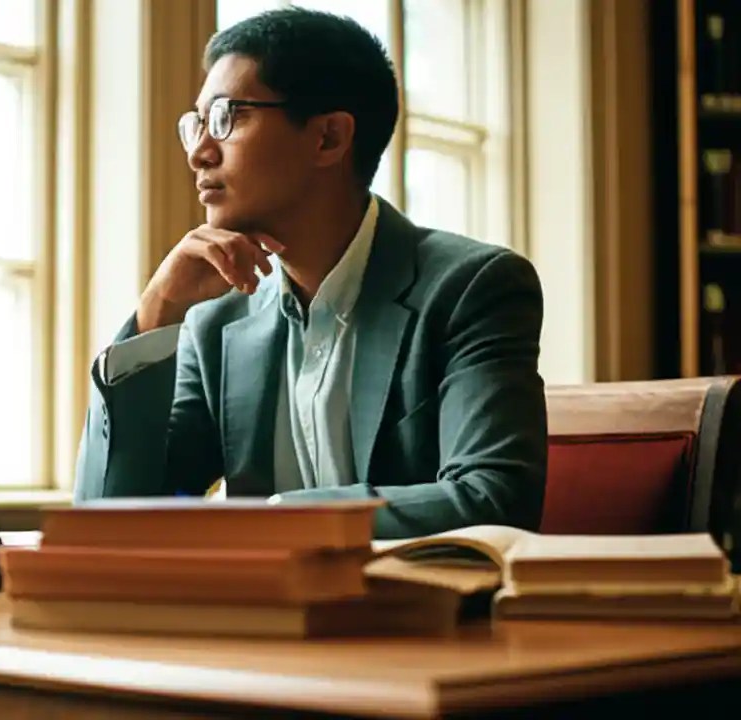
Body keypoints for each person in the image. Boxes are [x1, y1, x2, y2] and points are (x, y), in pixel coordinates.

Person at [72, 7, 547, 538]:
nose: (200, 153)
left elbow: (492, 498)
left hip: (421, 616)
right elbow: (105, 519)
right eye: (197, 124)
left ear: (329, 138)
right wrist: (156, 313)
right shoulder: (216, 323)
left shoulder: (471, 288)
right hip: (258, 620)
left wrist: (277, 516)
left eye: (227, 117)